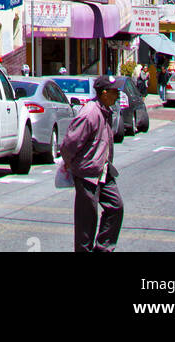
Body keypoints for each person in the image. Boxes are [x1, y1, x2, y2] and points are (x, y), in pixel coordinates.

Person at [59, 74, 124, 254]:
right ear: (104, 93)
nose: (118, 95)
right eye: (115, 92)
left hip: (103, 171)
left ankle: (103, 249)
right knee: (87, 220)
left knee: (116, 207)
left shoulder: (105, 111)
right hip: (87, 173)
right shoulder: (90, 114)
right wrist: (69, 164)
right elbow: (69, 144)